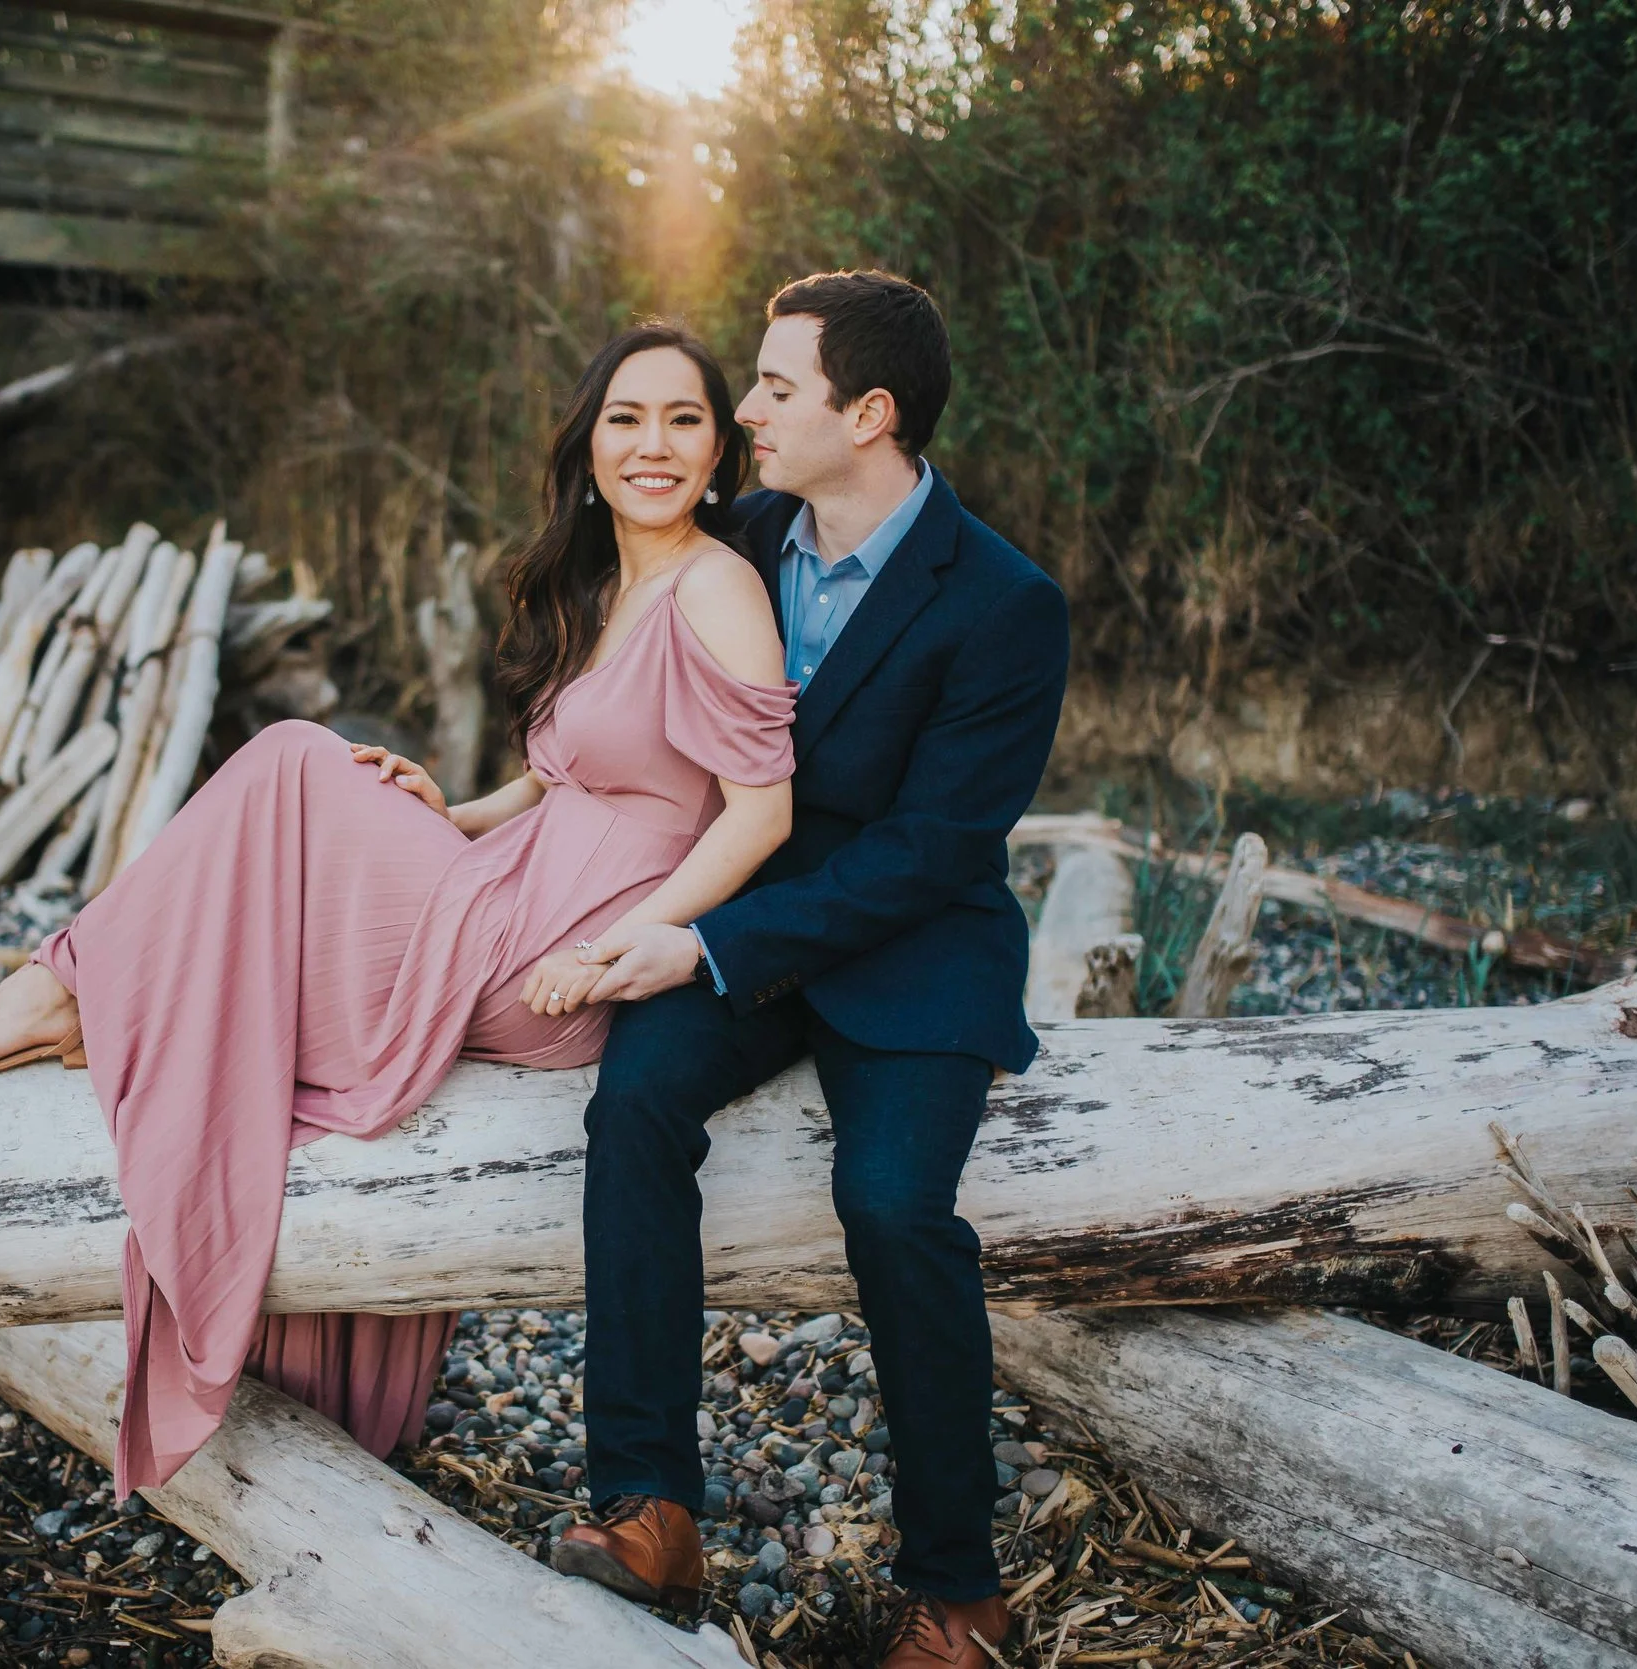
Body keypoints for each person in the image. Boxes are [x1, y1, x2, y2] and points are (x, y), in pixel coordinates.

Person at [0, 324, 801, 1501]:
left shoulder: (718, 584)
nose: (653, 445)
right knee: (306, 790)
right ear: (588, 444)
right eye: (625, 418)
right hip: (516, 881)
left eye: (683, 419)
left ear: (716, 448)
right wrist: (460, 809)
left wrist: (637, 944)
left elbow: (759, 814)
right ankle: (100, 990)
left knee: (287, 760)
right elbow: (562, 775)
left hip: (560, 950)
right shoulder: (608, 582)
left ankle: (73, 984)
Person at [550, 271, 1069, 1669]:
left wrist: (706, 939)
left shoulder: (1009, 605)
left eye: (777, 390)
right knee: (633, 1109)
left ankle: (957, 1592)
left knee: (893, 1205)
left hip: (913, 949)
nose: (746, 410)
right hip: (751, 930)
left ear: (873, 412)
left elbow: (929, 852)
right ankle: (652, 1502)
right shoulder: (747, 532)